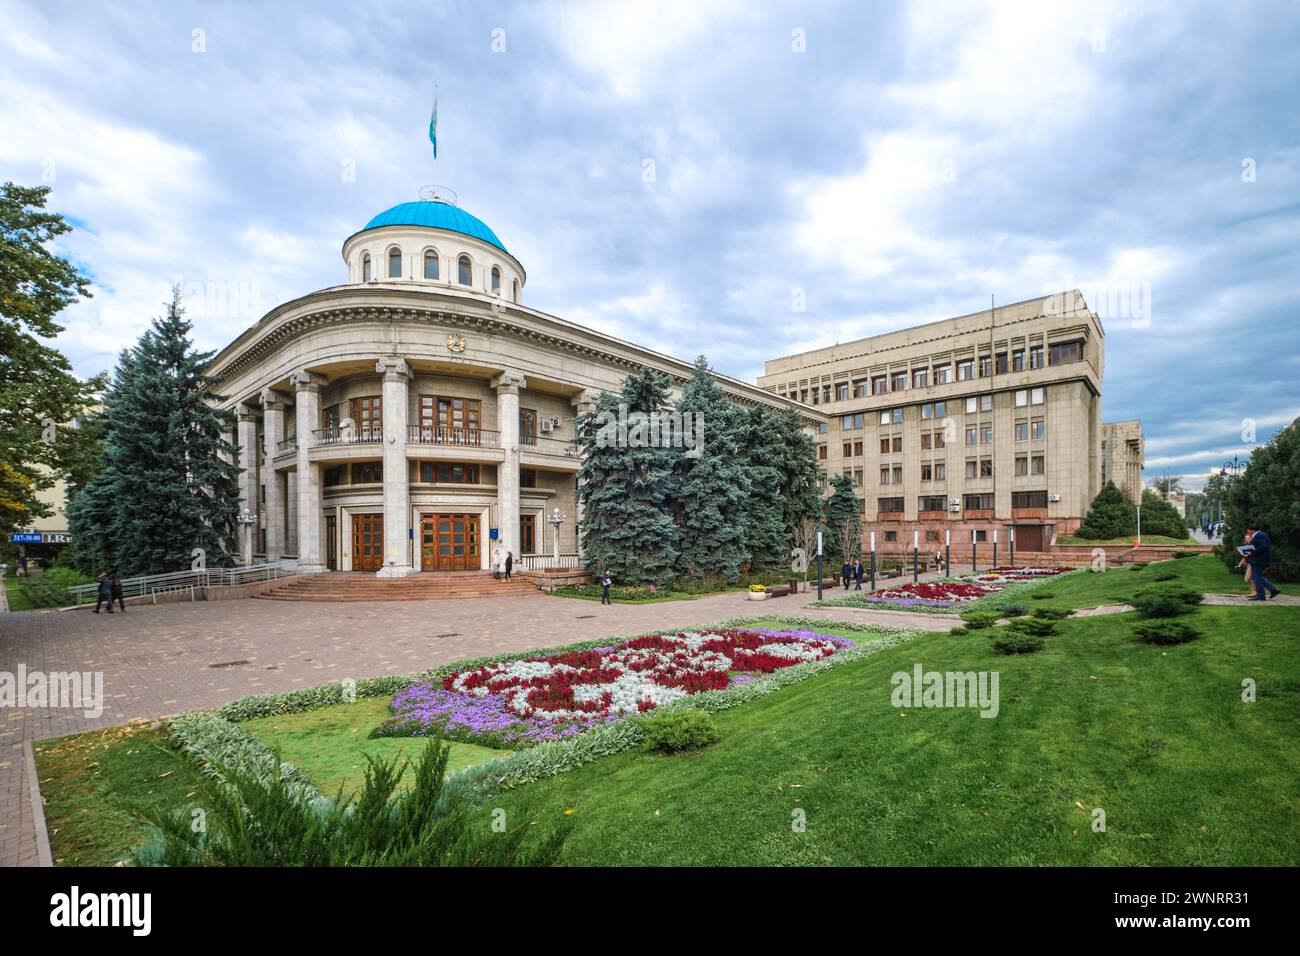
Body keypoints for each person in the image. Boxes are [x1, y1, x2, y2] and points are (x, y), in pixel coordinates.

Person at [1245, 526, 1280, 601]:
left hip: (1259, 560)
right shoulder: (1261, 535)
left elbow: (1263, 546)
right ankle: (1273, 590)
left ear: (1252, 530)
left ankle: (1261, 596)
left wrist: (1251, 553)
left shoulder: (1260, 535)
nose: (1248, 533)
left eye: (1248, 531)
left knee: (1256, 577)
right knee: (1258, 577)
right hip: (1259, 560)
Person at [1233, 531, 1255, 596]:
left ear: (1251, 538)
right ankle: (1253, 592)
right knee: (1250, 579)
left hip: (1253, 564)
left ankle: (1254, 592)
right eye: (1246, 538)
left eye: (1248, 538)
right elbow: (1244, 557)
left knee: (1251, 579)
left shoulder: (1253, 546)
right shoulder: (1247, 546)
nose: (1247, 539)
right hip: (1249, 564)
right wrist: (1239, 565)